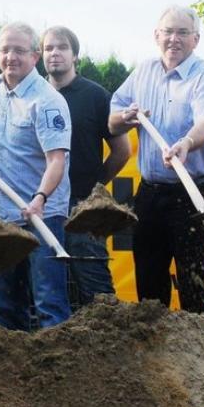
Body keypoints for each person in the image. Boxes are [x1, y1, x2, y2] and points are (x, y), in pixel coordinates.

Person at [108, 6, 204, 314]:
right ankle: (155, 355)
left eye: (183, 33)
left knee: (194, 283)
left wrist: (187, 142)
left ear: (196, 40)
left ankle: (197, 355)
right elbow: (112, 121)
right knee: (148, 284)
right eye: (168, 32)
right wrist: (126, 117)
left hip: (194, 192)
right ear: (157, 36)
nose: (174, 39)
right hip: (150, 193)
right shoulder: (143, 72)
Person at [0, 22, 72, 330]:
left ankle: (56, 372)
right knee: (8, 302)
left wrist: (40, 199)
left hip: (42, 215)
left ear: (35, 56)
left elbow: (57, 160)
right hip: (4, 212)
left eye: (19, 51)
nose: (11, 57)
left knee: (49, 302)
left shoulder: (47, 102)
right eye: (5, 50)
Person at [41, 25, 132, 304]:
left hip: (82, 207)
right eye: (48, 48)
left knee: (96, 290)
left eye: (62, 47)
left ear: (75, 56)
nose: (54, 53)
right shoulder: (34, 95)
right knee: (47, 290)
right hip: (40, 207)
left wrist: (95, 187)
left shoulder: (95, 96)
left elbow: (122, 151)